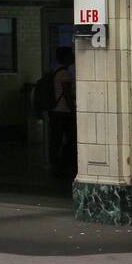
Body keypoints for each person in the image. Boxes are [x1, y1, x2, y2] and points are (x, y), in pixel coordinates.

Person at [48, 47, 76, 178]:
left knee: (56, 138)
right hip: (63, 111)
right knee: (71, 138)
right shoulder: (65, 74)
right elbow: (67, 94)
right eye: (71, 55)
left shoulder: (54, 71)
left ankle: (55, 163)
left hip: (54, 110)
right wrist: (73, 109)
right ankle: (64, 163)